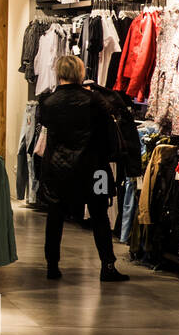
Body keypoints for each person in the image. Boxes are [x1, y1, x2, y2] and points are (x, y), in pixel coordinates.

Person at [37, 55, 129, 282]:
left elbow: (49, 126)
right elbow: (113, 121)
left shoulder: (47, 102)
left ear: (59, 72)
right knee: (100, 216)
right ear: (80, 73)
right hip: (94, 168)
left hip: (57, 168)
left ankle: (52, 265)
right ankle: (107, 266)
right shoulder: (94, 100)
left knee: (55, 216)